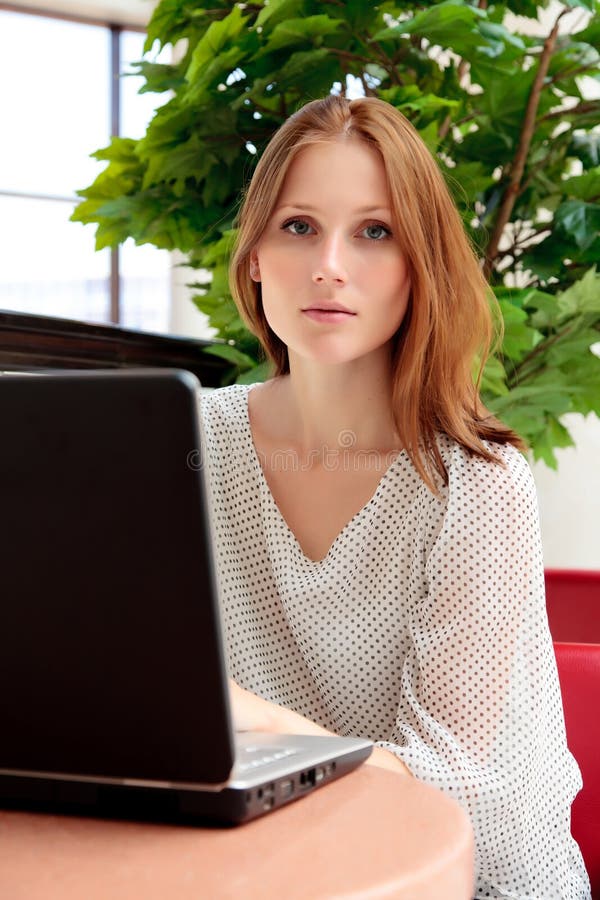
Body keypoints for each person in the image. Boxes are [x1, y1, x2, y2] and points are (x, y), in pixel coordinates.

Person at [200, 94, 590, 898]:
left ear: (422, 265)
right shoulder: (187, 443)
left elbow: (440, 782)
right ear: (254, 258)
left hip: (470, 880)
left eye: (374, 232)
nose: (329, 265)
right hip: (268, 868)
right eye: (298, 226)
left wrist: (243, 716)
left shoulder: (474, 483)